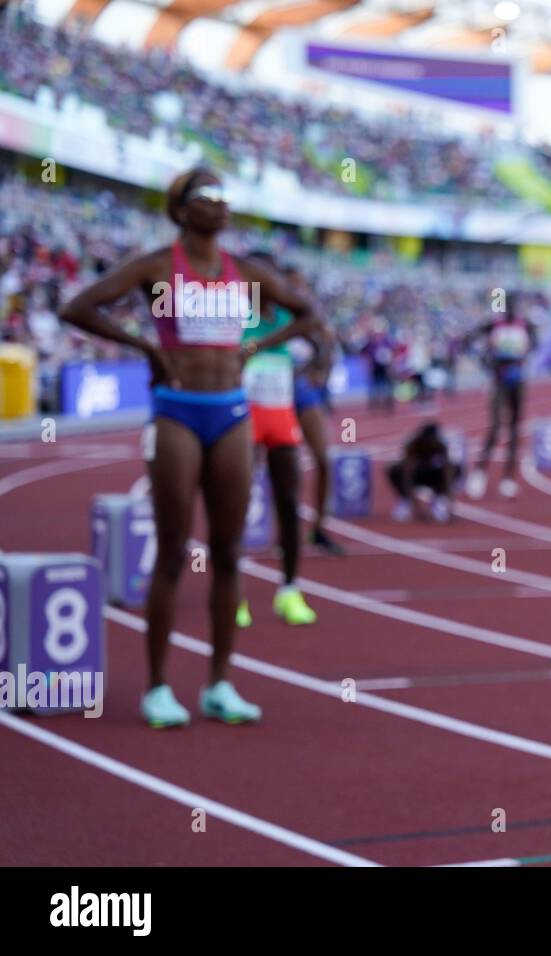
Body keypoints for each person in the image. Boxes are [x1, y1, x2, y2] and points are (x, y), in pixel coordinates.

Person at [59, 166, 321, 728]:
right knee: (174, 552)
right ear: (180, 207)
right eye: (206, 195)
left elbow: (309, 314)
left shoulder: (245, 272)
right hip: (177, 415)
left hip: (230, 414)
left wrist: (255, 346)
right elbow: (76, 307)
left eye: (225, 195)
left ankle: (219, 684)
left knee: (228, 553)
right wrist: (145, 349)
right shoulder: (157, 267)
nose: (220, 203)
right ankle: (157, 687)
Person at [234, 252, 321, 629]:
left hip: (281, 415)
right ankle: (234, 594)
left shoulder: (286, 314)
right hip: (245, 416)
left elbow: (315, 325)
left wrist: (270, 351)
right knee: (237, 504)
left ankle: (289, 589)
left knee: (289, 501)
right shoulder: (238, 313)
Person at [285, 266, 345, 557]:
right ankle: (279, 530)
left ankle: (318, 528)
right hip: (272, 395)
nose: (298, 290)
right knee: (276, 467)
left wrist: (318, 372)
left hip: (304, 393)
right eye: (292, 285)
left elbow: (328, 346)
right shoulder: (270, 313)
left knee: (322, 458)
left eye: (301, 285)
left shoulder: (312, 318)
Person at [463, 291, 537, 500]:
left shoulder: (526, 325)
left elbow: (534, 345)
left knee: (514, 430)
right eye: (507, 305)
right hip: (499, 380)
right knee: (495, 428)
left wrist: (523, 356)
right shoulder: (493, 324)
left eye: (514, 305)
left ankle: (508, 478)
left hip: (518, 381)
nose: (511, 309)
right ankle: (479, 473)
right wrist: (485, 360)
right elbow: (469, 339)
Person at [388, 422, 460, 522]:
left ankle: (438, 500)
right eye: (431, 440)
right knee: (393, 469)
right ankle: (405, 500)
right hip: (418, 474)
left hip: (432, 474)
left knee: (456, 469)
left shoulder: (441, 445)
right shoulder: (413, 445)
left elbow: (448, 473)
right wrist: (416, 506)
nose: (433, 442)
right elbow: (407, 475)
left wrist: (451, 507)